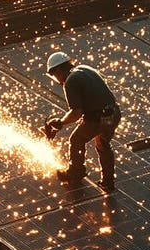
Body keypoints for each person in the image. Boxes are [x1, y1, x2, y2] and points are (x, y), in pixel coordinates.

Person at [44, 51, 121, 193]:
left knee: (76, 139)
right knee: (103, 145)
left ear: (59, 69)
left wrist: (60, 123)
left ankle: (76, 172)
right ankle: (108, 182)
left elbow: (76, 112)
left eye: (55, 75)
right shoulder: (85, 68)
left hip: (98, 118)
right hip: (113, 113)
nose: (57, 79)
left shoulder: (70, 81)